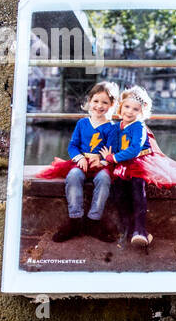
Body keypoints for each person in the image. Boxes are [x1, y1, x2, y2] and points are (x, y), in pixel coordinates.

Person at [100, 86, 176, 248]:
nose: (130, 112)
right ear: (120, 108)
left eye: (135, 109)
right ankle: (127, 228)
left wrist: (113, 157)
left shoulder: (139, 127)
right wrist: (108, 157)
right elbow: (111, 144)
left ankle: (140, 229)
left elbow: (135, 149)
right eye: (127, 107)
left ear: (141, 112)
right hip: (120, 164)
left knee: (137, 187)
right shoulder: (116, 127)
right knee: (118, 190)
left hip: (140, 161)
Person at [34, 81, 120, 243]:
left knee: (104, 179)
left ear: (112, 105)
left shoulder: (112, 128)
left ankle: (94, 220)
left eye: (104, 102)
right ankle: (75, 220)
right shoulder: (82, 123)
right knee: (73, 175)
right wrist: (80, 157)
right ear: (89, 102)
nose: (99, 106)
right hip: (81, 162)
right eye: (96, 101)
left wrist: (101, 160)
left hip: (101, 164)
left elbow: (112, 150)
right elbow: (73, 146)